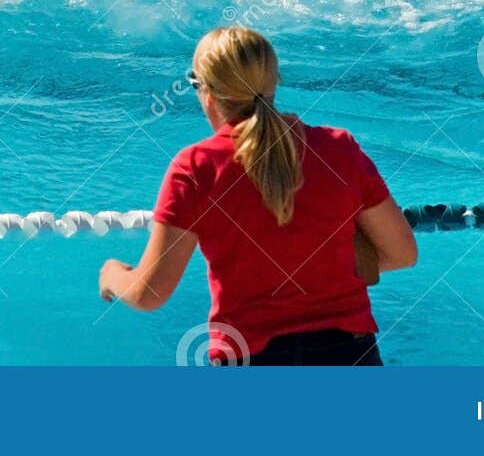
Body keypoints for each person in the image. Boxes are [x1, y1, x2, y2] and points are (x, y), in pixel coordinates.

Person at [98, 26, 417, 365]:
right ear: (273, 82)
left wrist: (112, 275)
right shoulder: (339, 150)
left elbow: (149, 294)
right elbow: (402, 253)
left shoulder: (196, 167)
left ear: (206, 91)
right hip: (350, 355)